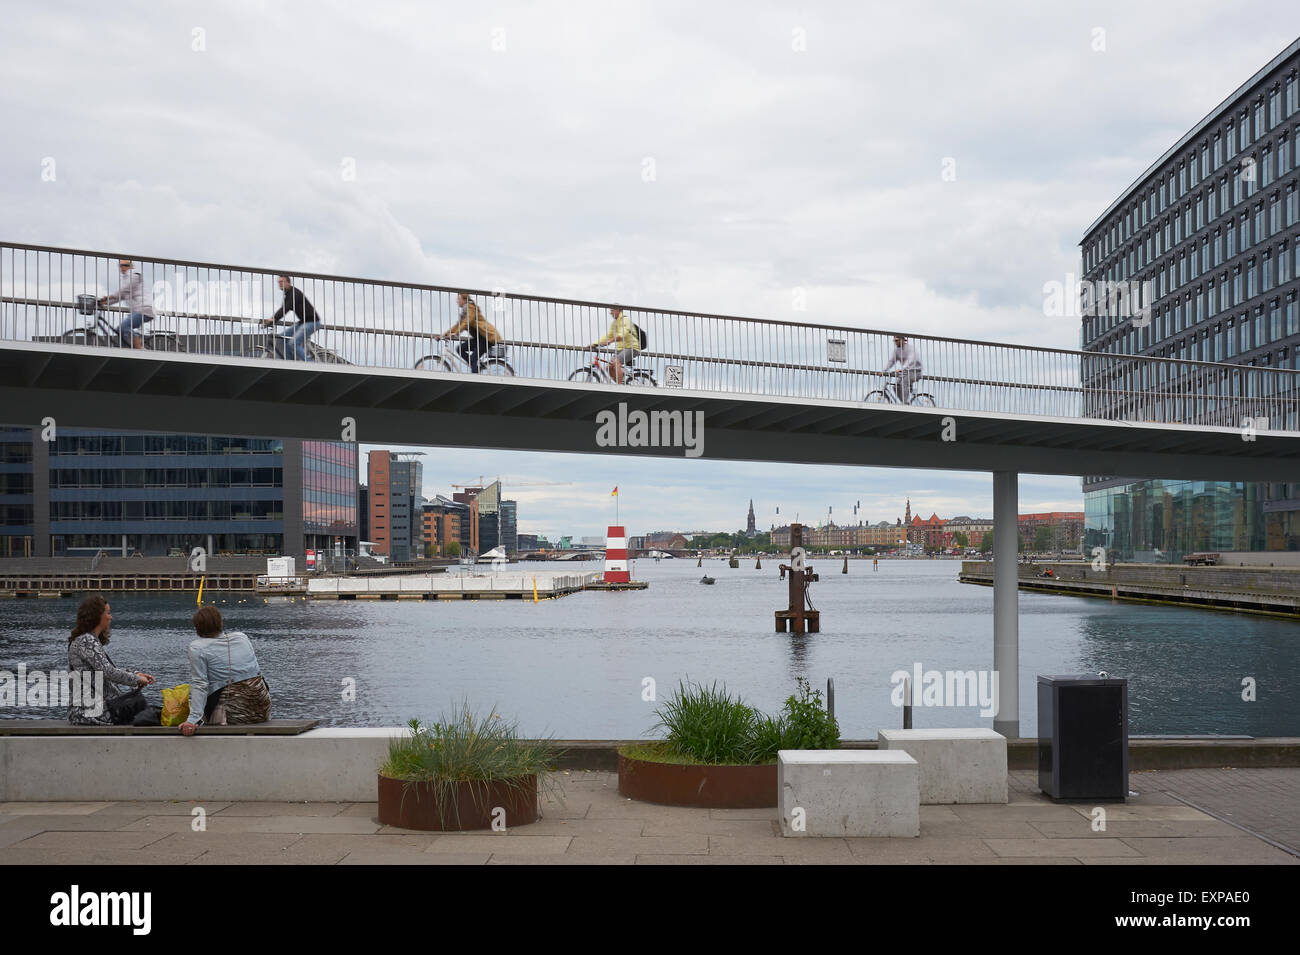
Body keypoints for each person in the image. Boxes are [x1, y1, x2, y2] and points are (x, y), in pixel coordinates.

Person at [179, 606, 271, 735]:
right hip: (262, 708)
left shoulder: (197, 648)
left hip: (233, 713)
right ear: (220, 623)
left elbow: (200, 685)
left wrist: (192, 720)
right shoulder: (242, 637)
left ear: (197, 627)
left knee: (189, 706)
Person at [66, 594, 156, 725]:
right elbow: (108, 672)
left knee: (145, 714)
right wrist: (136, 679)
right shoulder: (87, 641)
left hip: (89, 709)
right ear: (97, 616)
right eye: (108, 613)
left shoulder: (87, 640)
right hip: (88, 711)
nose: (111, 617)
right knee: (147, 716)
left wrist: (135, 674)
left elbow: (107, 669)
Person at [261, 275, 323, 361]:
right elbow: (283, 308)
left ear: (288, 283)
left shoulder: (294, 294)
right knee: (282, 338)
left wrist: (273, 319)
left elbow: (285, 309)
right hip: (303, 322)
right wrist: (272, 320)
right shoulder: (288, 294)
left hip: (312, 322)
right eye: (279, 282)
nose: (280, 284)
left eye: (282, 282)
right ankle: (290, 361)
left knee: (293, 343)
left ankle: (309, 364)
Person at [437, 292, 501, 373]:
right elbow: (458, 325)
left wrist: (456, 333)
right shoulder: (465, 311)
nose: (457, 301)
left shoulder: (471, 308)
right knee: (460, 348)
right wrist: (443, 335)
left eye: (458, 299)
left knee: (473, 359)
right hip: (479, 338)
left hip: (487, 338)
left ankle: (476, 379)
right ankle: (475, 367)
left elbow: (467, 322)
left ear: (464, 300)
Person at [99, 259, 156, 349]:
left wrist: (109, 297)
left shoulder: (135, 275)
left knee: (123, 327)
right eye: (121, 265)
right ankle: (133, 345)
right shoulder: (126, 278)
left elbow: (125, 290)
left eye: (125, 265)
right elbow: (121, 296)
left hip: (144, 309)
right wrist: (104, 303)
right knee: (119, 330)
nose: (122, 267)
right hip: (137, 310)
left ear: (131, 266)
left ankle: (141, 350)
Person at [591, 304, 639, 384]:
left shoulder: (625, 319)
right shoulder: (614, 323)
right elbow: (608, 335)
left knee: (616, 362)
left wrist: (611, 341)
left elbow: (623, 333)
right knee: (608, 367)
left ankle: (619, 387)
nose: (610, 313)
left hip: (632, 347)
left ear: (618, 310)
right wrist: (594, 344)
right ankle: (622, 382)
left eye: (612, 310)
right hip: (620, 349)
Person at [883, 334, 922, 403]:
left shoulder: (910, 348)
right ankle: (905, 402)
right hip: (906, 371)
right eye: (894, 341)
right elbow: (892, 361)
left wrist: (902, 368)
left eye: (897, 340)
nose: (896, 342)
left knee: (904, 383)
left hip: (915, 371)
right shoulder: (897, 350)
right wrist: (884, 370)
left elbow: (911, 359)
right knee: (895, 387)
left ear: (903, 340)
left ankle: (904, 403)